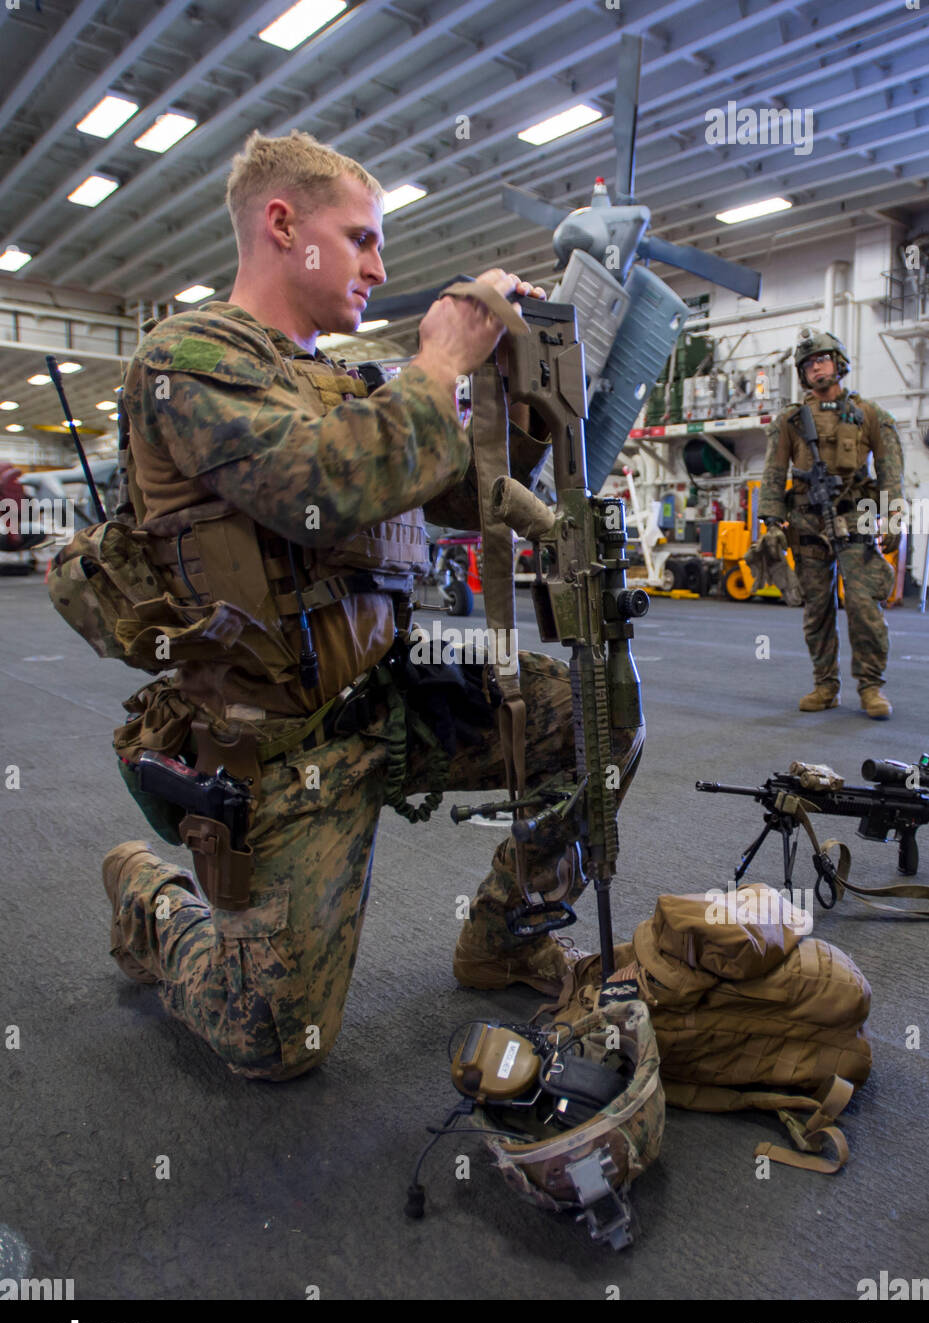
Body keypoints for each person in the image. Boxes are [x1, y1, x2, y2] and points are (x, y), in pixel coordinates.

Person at [100, 129, 624, 1081]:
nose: (379, 268)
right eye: (361, 240)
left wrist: (517, 394)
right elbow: (323, 482)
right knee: (273, 1045)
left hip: (385, 699)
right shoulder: (186, 360)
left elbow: (465, 500)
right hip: (280, 746)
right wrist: (436, 366)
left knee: (594, 717)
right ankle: (152, 903)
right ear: (281, 224)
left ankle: (507, 934)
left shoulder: (349, 382)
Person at [759, 327, 904, 719]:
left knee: (863, 605)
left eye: (821, 360)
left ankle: (871, 687)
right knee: (816, 609)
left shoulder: (871, 415)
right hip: (807, 521)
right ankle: (826, 686)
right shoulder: (789, 421)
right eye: (808, 365)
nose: (816, 368)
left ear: (838, 364)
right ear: (802, 375)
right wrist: (771, 522)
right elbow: (773, 474)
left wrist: (894, 516)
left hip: (857, 517)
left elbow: (891, 473)